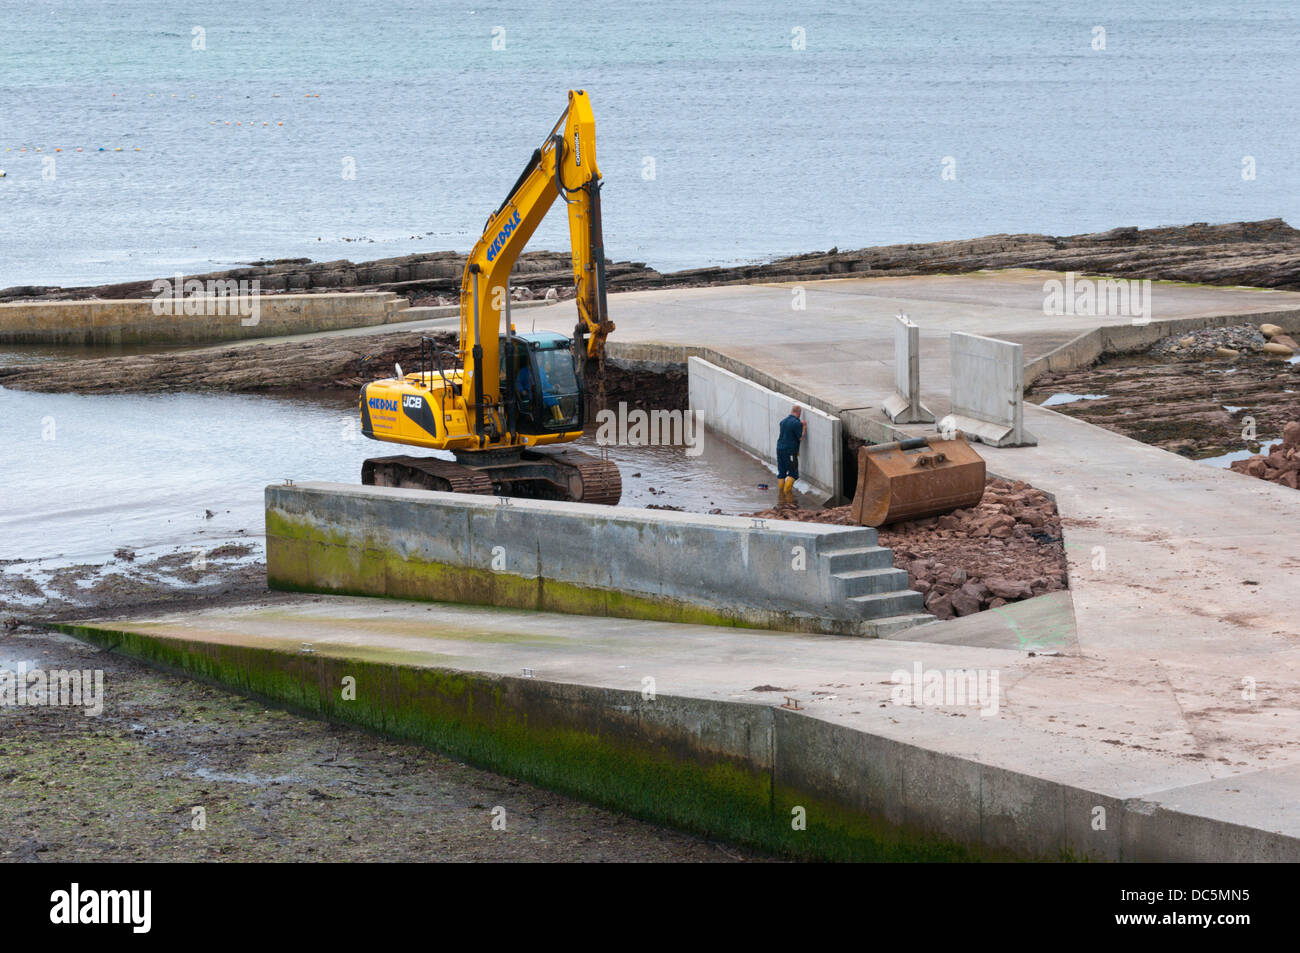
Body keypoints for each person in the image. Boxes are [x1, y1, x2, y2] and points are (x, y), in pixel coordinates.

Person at [775, 405, 805, 505]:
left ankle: (780, 497)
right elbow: (800, 437)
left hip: (779, 449)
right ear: (799, 413)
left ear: (791, 411)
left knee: (782, 472)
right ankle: (787, 497)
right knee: (793, 473)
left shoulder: (783, 421)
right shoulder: (796, 423)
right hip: (790, 452)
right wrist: (804, 426)